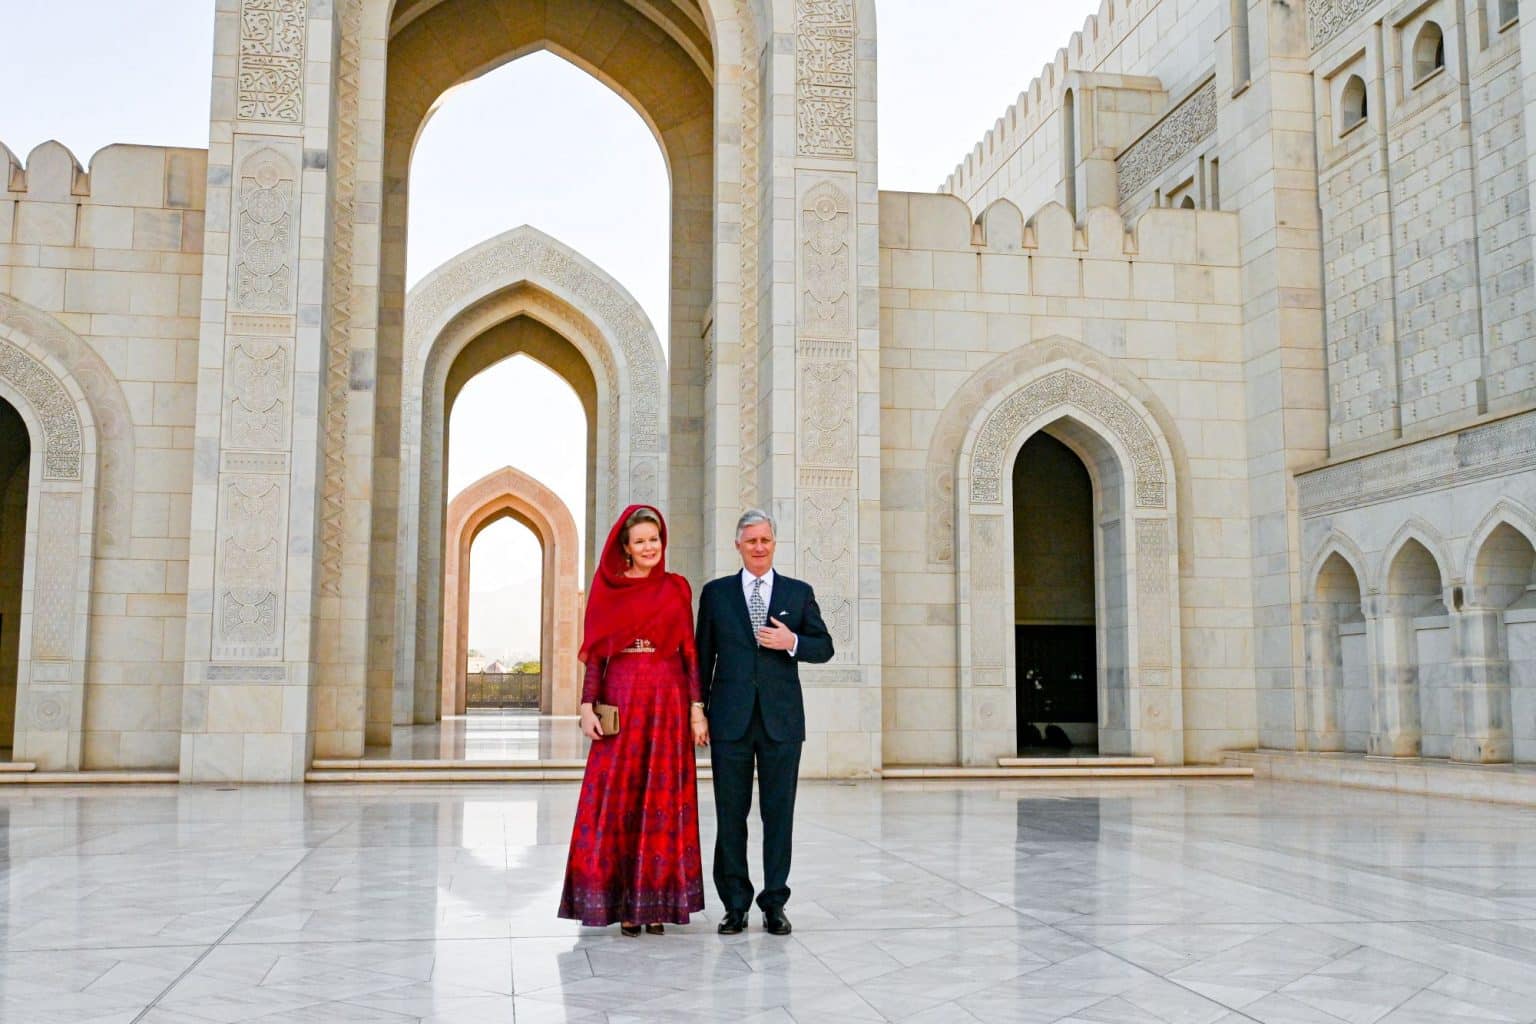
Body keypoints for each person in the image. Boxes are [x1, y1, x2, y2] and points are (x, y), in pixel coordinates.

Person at [558, 505, 709, 936]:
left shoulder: (677, 589)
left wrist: (697, 709)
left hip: (667, 699)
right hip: (622, 695)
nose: (649, 547)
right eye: (640, 541)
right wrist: (587, 706)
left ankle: (656, 903)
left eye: (654, 539)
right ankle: (623, 902)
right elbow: (596, 655)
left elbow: (690, 653)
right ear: (625, 547)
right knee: (618, 801)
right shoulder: (610, 590)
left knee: (663, 801)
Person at [695, 508, 834, 936]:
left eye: (765, 541)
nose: (759, 547)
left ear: (775, 544)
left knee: (779, 814)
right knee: (730, 814)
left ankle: (775, 902)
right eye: (751, 540)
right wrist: (697, 710)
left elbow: (824, 646)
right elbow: (702, 659)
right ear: (737, 545)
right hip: (730, 721)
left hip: (782, 722)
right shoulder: (716, 594)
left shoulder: (797, 592)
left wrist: (792, 641)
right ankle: (734, 904)